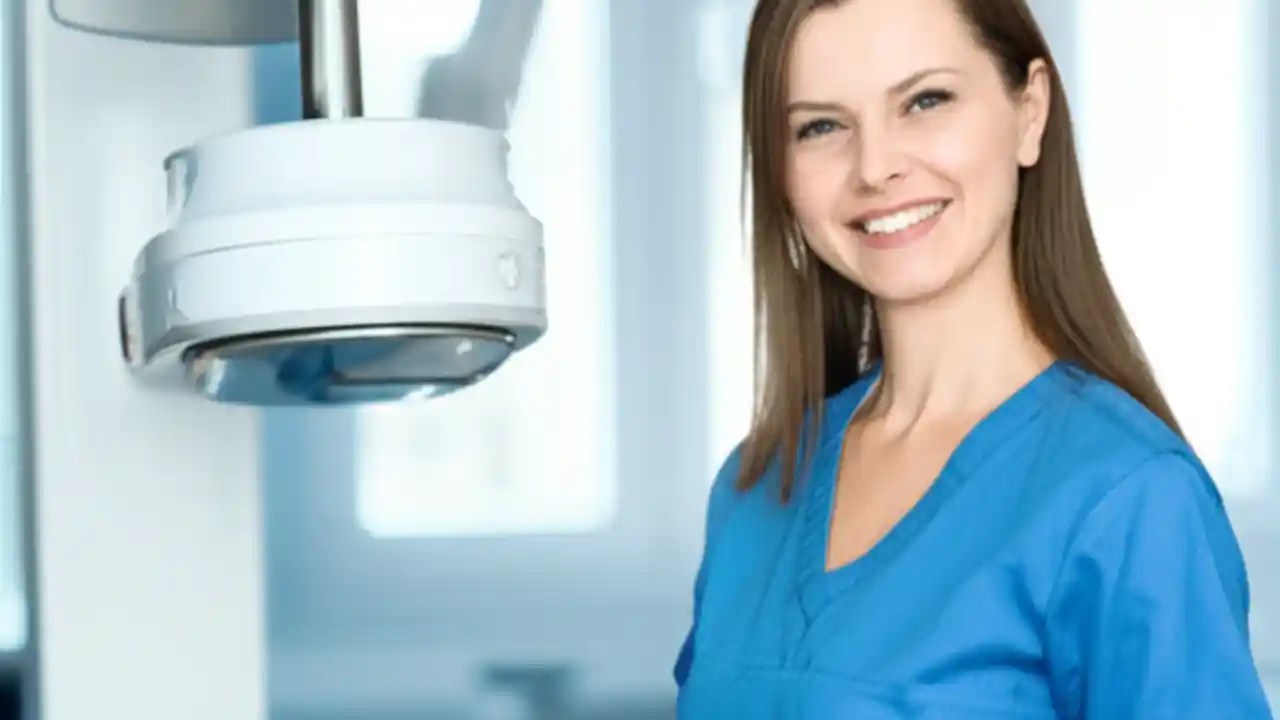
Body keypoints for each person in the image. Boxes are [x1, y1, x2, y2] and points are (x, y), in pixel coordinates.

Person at [673, 0, 1275, 717]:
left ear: (1030, 111)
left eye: (925, 100)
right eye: (821, 126)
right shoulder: (756, 488)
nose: (875, 167)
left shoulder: (1129, 498)